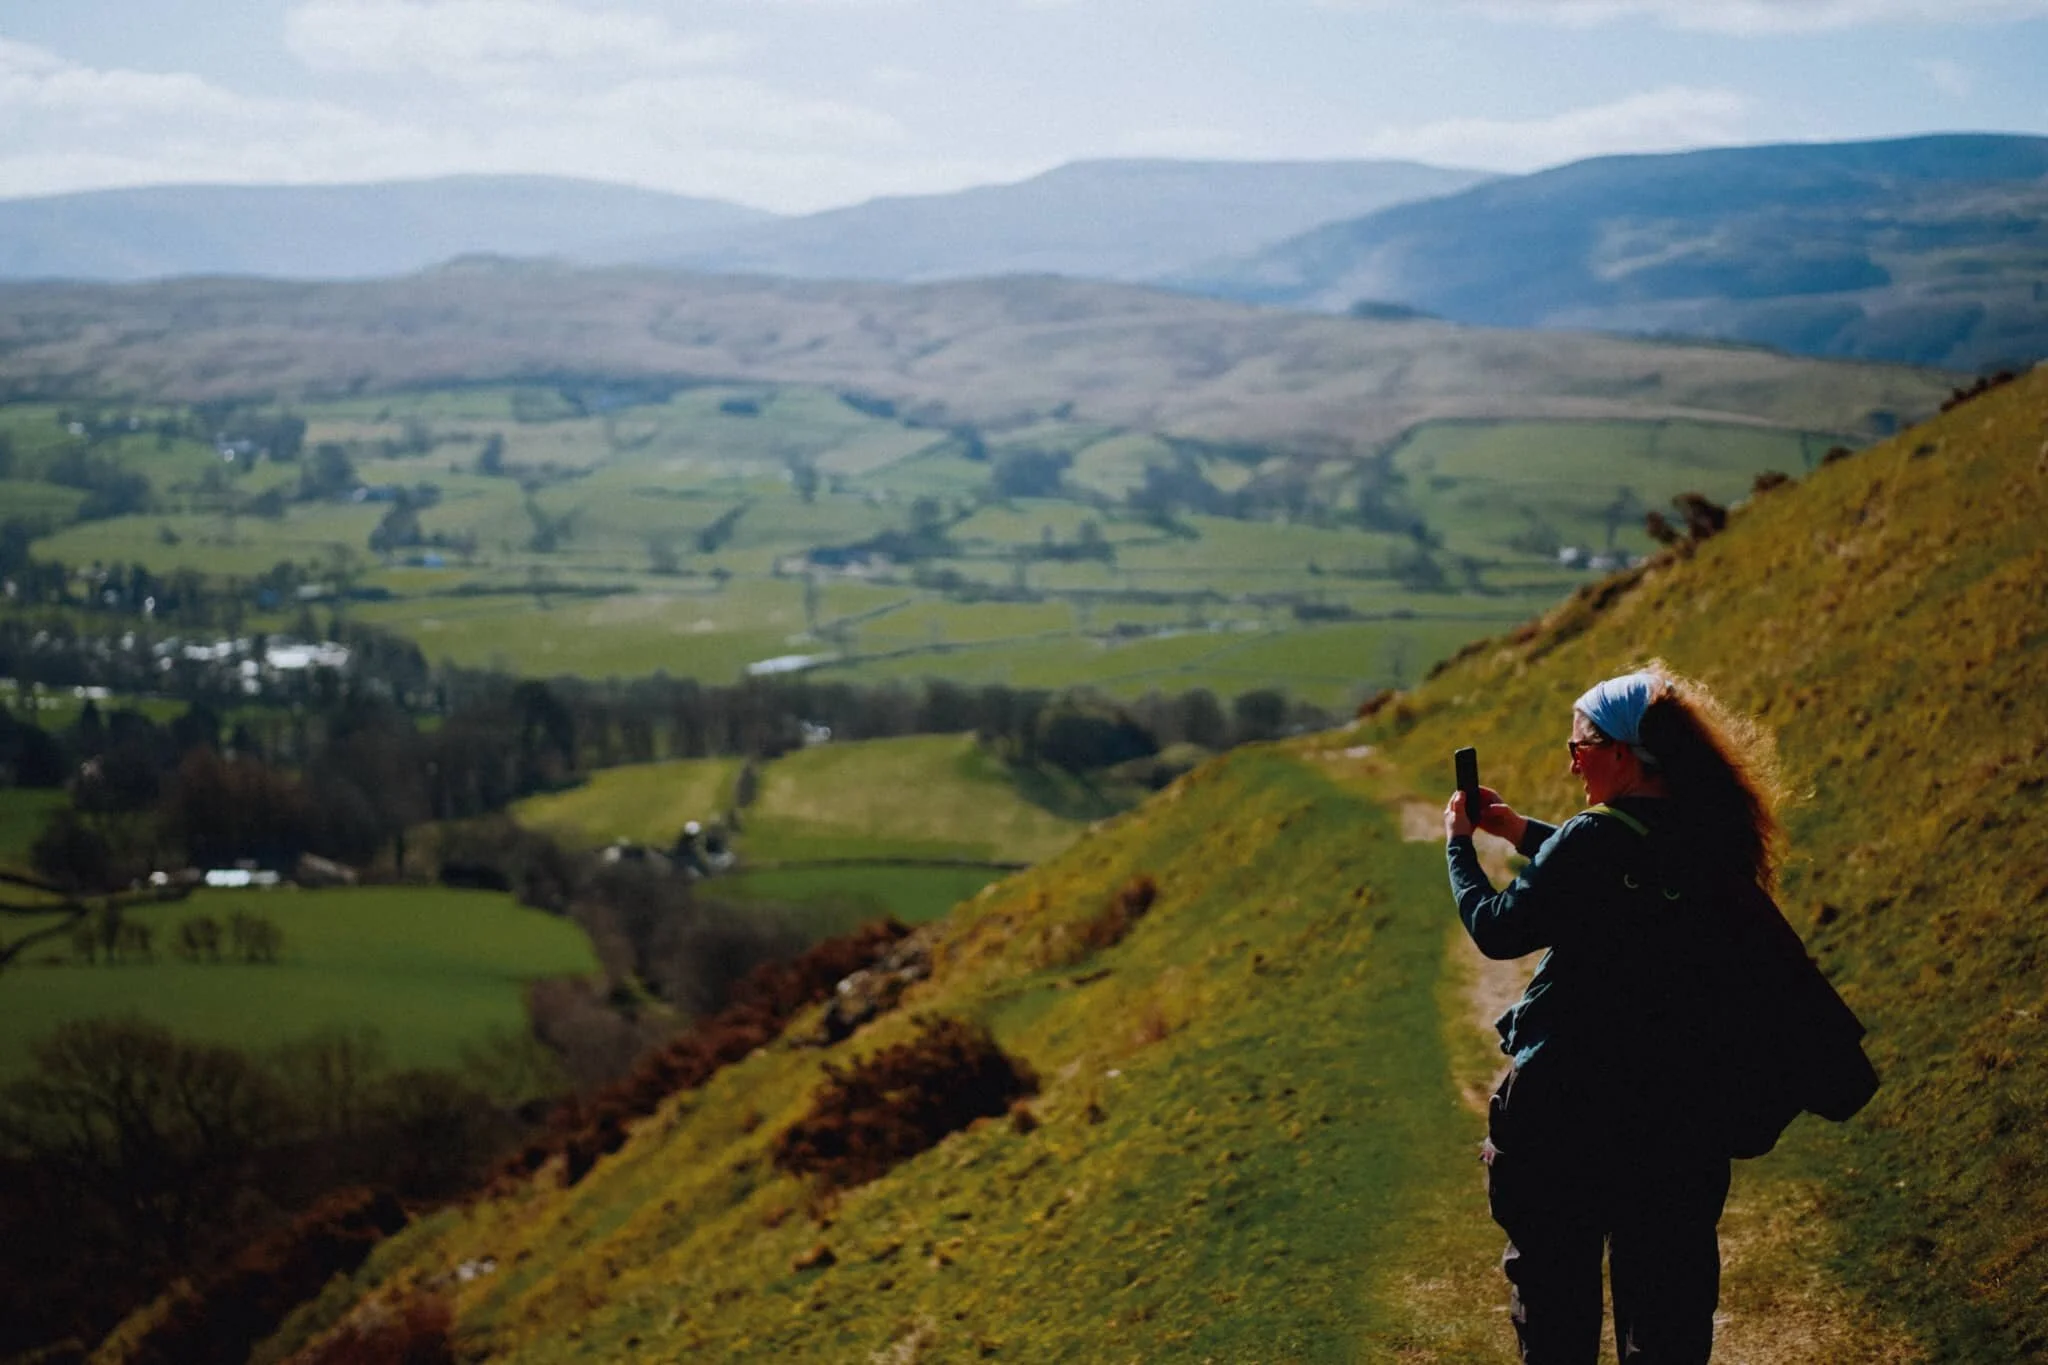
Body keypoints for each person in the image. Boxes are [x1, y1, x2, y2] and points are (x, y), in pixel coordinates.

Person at [1443, 663, 1787, 1365]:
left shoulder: (1593, 839)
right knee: (1667, 1322)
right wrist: (1521, 830)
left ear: (1622, 753)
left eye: (1580, 747)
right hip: (1680, 1119)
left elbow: (1499, 927)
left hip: (1566, 1116)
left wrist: (1459, 847)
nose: (1573, 766)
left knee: (1558, 1315)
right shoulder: (1710, 837)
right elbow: (1617, 871)